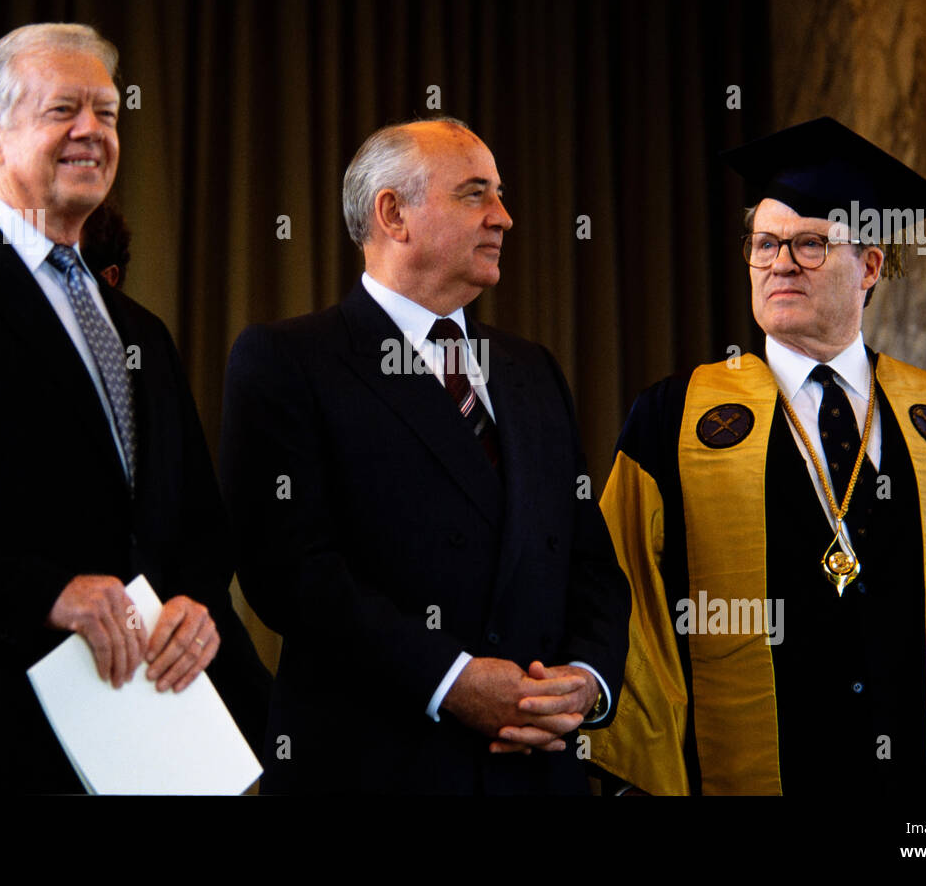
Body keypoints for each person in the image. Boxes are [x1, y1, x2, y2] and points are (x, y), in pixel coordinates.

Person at [589, 116, 926, 796]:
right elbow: (625, 617)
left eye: (811, 243)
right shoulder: (672, 420)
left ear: (871, 266)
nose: (780, 262)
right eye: (764, 243)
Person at [0, 23, 270, 792]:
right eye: (63, 111)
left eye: (108, 114)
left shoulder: (143, 330)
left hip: (145, 739)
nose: (92, 131)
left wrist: (197, 608)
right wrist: (48, 591)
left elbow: (194, 533)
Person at [219, 117, 630, 794]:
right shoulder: (288, 360)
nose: (504, 216)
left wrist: (585, 682)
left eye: (499, 194)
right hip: (376, 767)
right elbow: (290, 573)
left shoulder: (533, 370)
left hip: (538, 768)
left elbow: (591, 563)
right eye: (475, 194)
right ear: (393, 213)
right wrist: (453, 680)